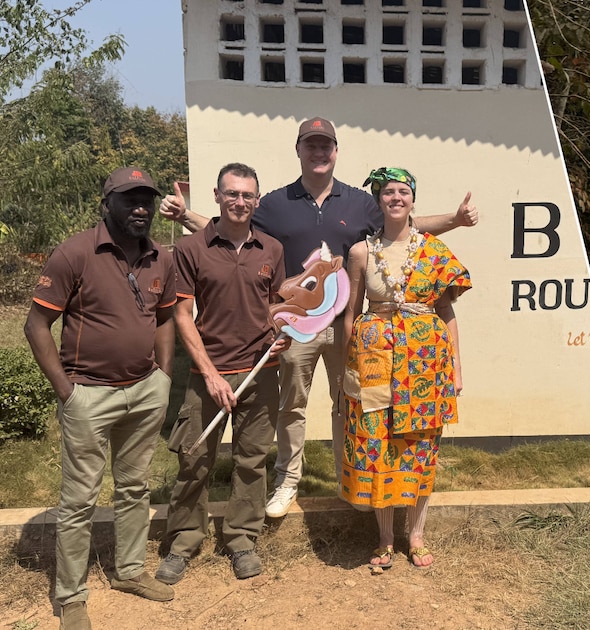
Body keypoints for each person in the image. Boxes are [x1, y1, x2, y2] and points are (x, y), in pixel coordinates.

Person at [160, 117, 478, 518]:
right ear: (298, 150)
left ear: (335, 152)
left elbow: (405, 225)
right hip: (297, 329)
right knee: (291, 407)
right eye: (310, 145)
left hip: (348, 326)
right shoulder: (273, 203)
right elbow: (231, 226)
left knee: (349, 401)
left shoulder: (361, 202)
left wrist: (455, 220)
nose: (318, 152)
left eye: (325, 145)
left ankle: (350, 475)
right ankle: (287, 480)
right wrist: (188, 217)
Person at [25, 167, 177, 628]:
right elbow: (35, 325)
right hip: (88, 395)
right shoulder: (75, 252)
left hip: (145, 390)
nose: (141, 208)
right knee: (80, 499)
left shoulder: (160, 257)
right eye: (129, 199)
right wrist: (68, 393)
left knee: (135, 486)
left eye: (146, 200)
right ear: (105, 203)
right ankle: (70, 596)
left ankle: (130, 571)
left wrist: (164, 376)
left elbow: (165, 317)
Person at [155, 163, 289, 586]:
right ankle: (182, 541)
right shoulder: (192, 248)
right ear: (216, 195)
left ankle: (242, 538)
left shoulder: (272, 248)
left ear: (257, 200)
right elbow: (182, 315)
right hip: (207, 374)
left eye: (248, 195)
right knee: (194, 459)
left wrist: (281, 333)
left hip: (260, 372)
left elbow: (277, 305)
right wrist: (210, 373)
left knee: (251, 461)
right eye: (232, 194)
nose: (240, 202)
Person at [340, 166, 470, 569]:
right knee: (378, 446)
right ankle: (384, 538)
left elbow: (446, 312)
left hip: (426, 365)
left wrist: (457, 369)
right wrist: (349, 369)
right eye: (388, 192)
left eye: (403, 191)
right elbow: (350, 312)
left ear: (413, 199)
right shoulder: (361, 252)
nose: (396, 198)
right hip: (376, 362)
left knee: (420, 449)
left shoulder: (433, 250)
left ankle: (416, 534)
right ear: (378, 200)